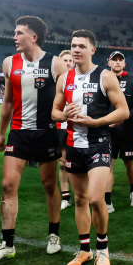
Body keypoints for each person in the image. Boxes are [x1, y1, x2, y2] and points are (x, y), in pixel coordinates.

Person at [0, 16, 68, 262]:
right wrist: (1, 132)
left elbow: (65, 99)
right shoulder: (10, 63)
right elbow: (8, 100)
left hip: (47, 133)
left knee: (49, 185)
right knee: (8, 185)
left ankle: (54, 235)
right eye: (14, 32)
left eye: (19, 32)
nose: (14, 36)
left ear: (34, 37)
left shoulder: (56, 64)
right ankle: (7, 243)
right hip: (19, 133)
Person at [52, 29, 129, 265]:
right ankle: (85, 250)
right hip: (74, 145)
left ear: (92, 50)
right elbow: (54, 111)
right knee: (80, 200)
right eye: (73, 45)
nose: (76, 50)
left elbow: (123, 111)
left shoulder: (105, 76)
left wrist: (95, 122)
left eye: (82, 46)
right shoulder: (64, 78)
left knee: (96, 199)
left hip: (98, 143)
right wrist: (64, 115)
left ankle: (103, 248)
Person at [105, 51, 133, 212]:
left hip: (127, 131)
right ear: (109, 63)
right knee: (109, 165)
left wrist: (123, 119)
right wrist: (106, 121)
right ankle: (107, 201)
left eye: (121, 60)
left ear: (124, 64)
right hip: (108, 132)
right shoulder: (103, 80)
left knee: (129, 164)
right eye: (115, 60)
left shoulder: (132, 83)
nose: (118, 62)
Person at [58, 49, 75, 210]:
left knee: (79, 163)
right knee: (62, 163)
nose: (68, 63)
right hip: (59, 128)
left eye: (70, 60)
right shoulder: (55, 81)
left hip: (78, 128)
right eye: (65, 60)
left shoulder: (80, 78)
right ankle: (65, 196)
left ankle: (83, 194)